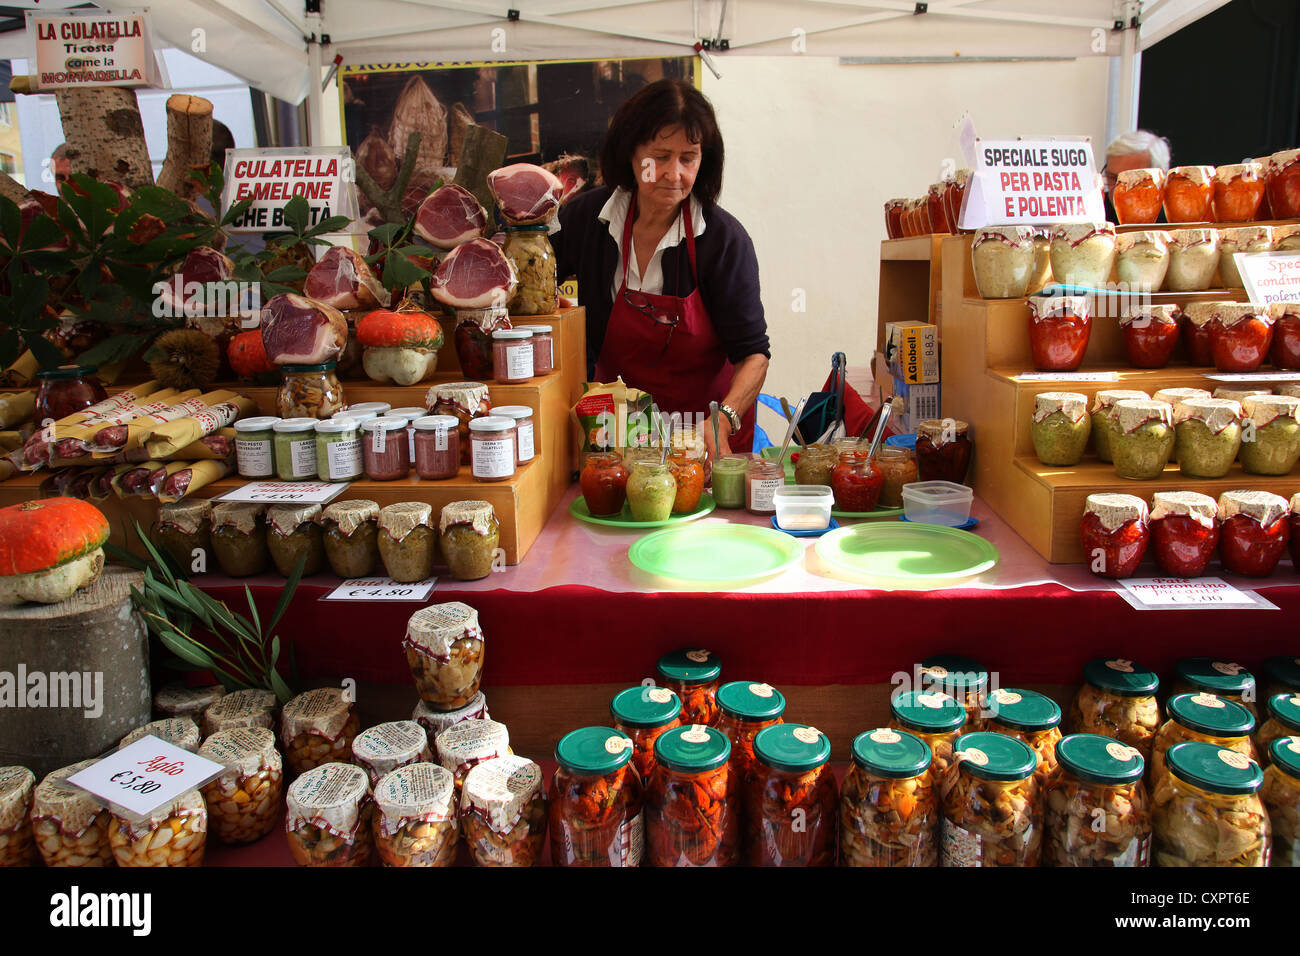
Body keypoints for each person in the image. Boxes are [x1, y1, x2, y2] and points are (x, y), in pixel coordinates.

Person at [553, 79, 769, 456]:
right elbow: (533, 284)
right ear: (631, 154)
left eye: (688, 159)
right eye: (660, 157)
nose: (674, 174)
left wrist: (725, 418)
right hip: (616, 434)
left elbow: (754, 354)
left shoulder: (723, 241)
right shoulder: (586, 220)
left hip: (700, 436)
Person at [1102, 129, 1171, 196]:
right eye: (1113, 178)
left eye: (1132, 181)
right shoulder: (1096, 205)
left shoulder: (1174, 206)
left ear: (1159, 181)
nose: (1118, 190)